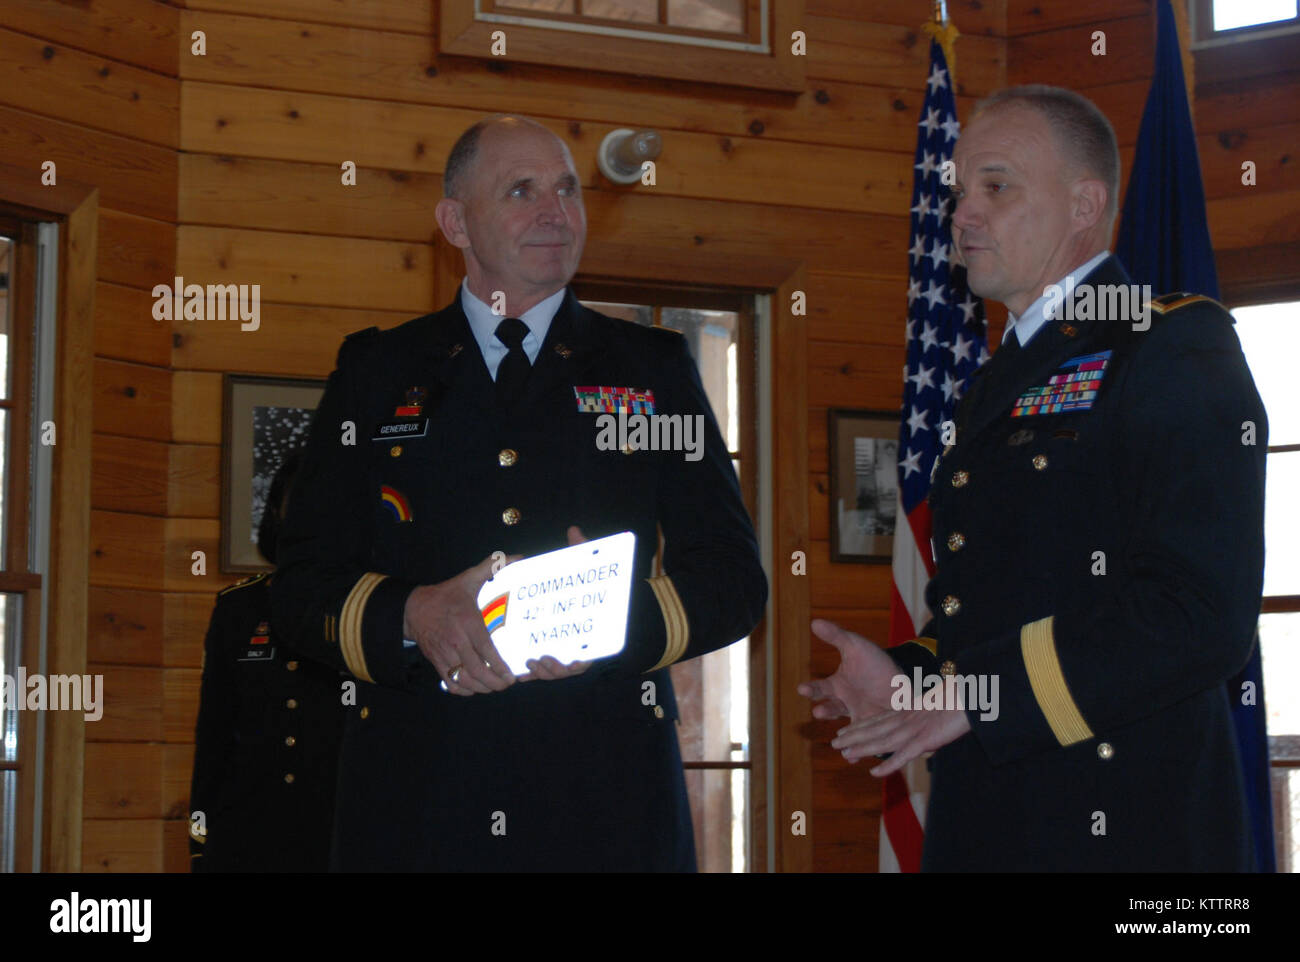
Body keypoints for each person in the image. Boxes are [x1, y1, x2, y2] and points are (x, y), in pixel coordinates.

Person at [272, 114, 767, 871]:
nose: (556, 211)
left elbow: (734, 578)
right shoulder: (378, 374)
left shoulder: (650, 370)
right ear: (454, 223)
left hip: (605, 803)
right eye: (521, 191)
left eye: (567, 189)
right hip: (418, 802)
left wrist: (608, 622)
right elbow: (299, 589)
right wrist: (413, 613)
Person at [800, 85, 1267, 871]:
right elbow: (1004, 594)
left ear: (1085, 205)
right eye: (959, 192)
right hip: (991, 815)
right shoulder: (1003, 374)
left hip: (1129, 829)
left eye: (996, 185)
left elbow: (1198, 613)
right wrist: (913, 677)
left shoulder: (1172, 346)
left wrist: (976, 695)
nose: (962, 215)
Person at [190, 453, 347, 871]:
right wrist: (201, 845)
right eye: (296, 506)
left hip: (338, 836)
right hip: (246, 837)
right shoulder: (237, 608)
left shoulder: (365, 610)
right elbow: (214, 738)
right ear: (278, 515)